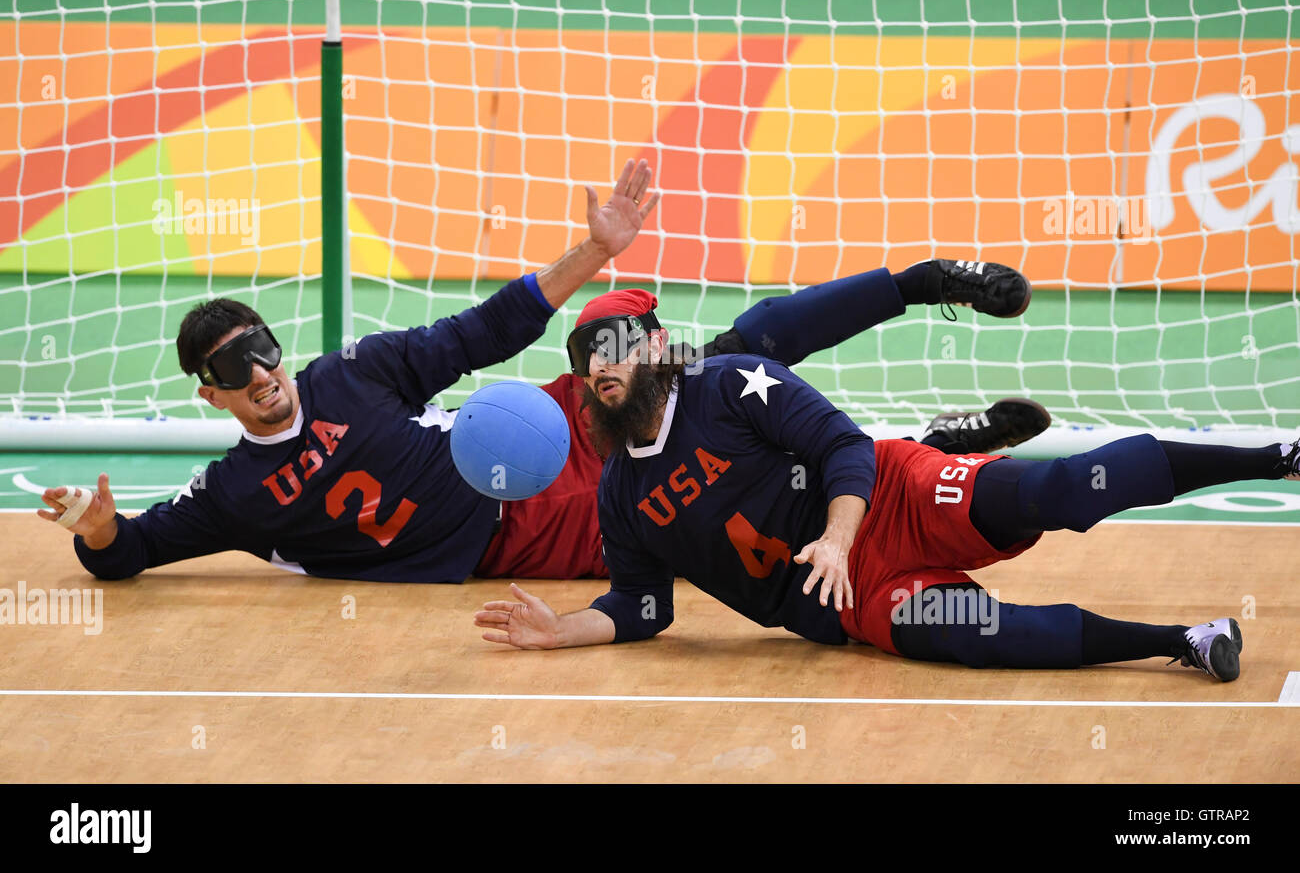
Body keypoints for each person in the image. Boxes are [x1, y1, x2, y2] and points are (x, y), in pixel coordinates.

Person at [38, 158, 1039, 584]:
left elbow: (487, 328)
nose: (261, 369)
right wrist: (94, 530)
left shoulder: (352, 373)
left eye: (261, 343)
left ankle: (919, 279)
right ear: (208, 394)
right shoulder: (234, 493)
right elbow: (128, 551)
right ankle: (926, 453)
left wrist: (594, 251)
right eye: (232, 366)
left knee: (737, 356)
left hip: (543, 420)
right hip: (521, 528)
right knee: (749, 504)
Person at [474, 296, 1300, 682]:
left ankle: (1277, 455)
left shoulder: (730, 386)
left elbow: (840, 445)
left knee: (1057, 495)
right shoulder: (620, 495)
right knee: (977, 634)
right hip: (860, 605)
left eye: (617, 347)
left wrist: (835, 537)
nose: (603, 367)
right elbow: (645, 606)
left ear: (657, 345)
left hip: (895, 494)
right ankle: (1183, 640)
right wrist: (566, 632)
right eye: (588, 359)